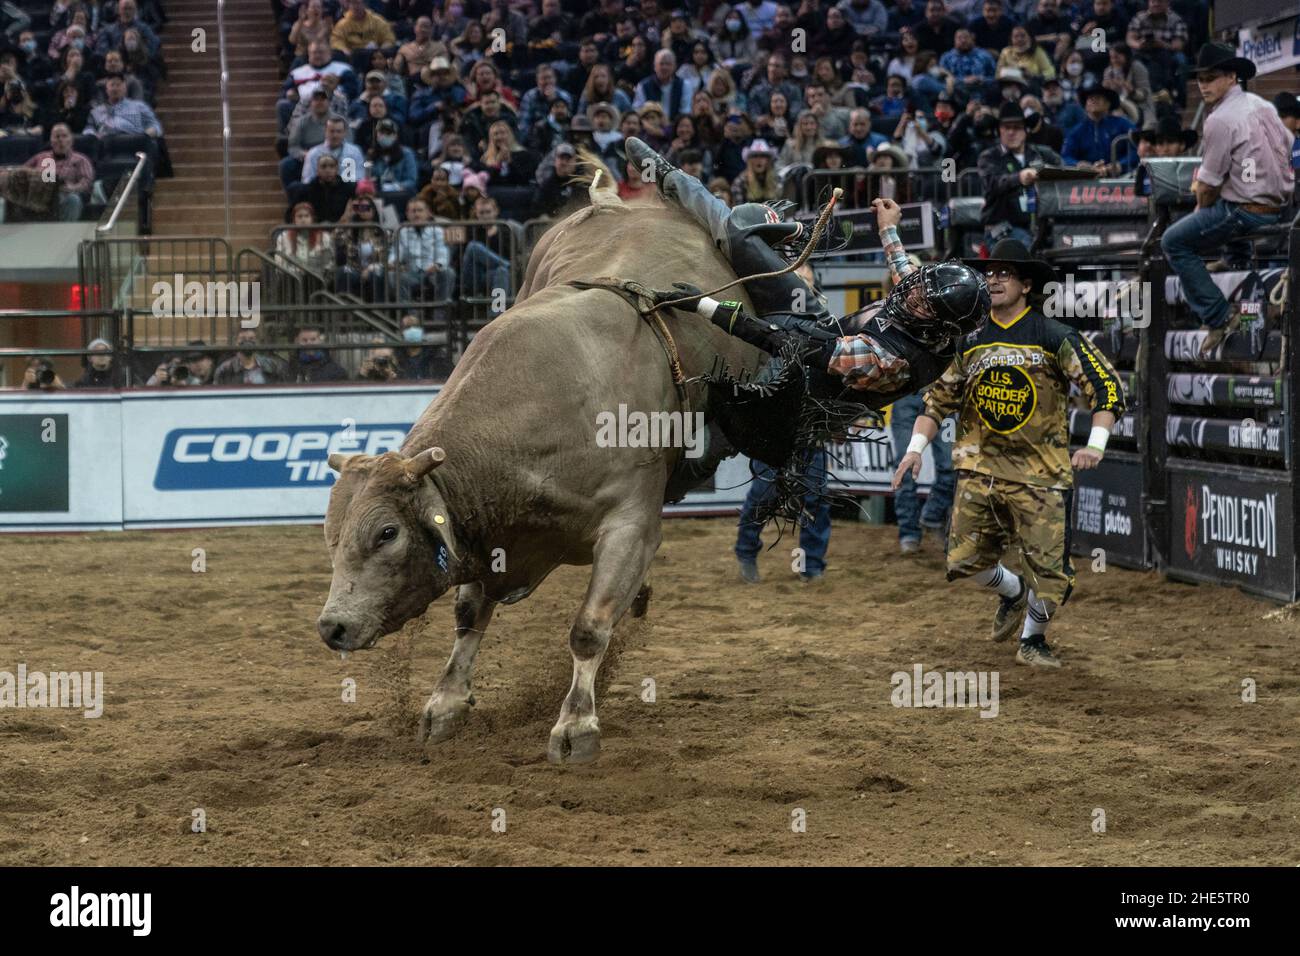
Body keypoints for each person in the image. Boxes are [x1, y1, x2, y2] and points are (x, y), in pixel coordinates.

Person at [626, 136, 990, 413]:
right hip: (816, 323)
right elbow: (905, 272)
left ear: (936, 326)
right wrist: (888, 228)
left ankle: (780, 228)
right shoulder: (927, 309)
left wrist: (708, 307)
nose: (913, 293)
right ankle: (677, 180)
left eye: (924, 301)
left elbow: (789, 344)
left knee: (734, 413)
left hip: (799, 380)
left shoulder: (886, 360)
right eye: (922, 286)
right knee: (742, 225)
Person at [893, 239, 1125, 668]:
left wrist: (1095, 445)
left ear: (1026, 284)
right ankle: (1013, 592)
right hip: (980, 469)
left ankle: (1033, 640)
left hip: (1041, 474)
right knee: (964, 560)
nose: (994, 279)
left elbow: (1105, 386)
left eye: (1005, 273)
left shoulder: (1053, 335)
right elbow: (938, 400)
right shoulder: (971, 340)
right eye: (990, 272)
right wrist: (914, 450)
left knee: (1051, 571)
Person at [1159, 44, 1294, 357]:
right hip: (1278, 208)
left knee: (1173, 240)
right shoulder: (1263, 105)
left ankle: (1218, 315)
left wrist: (1198, 210)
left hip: (1246, 210)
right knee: (1226, 202)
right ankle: (1237, 262)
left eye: (1211, 78)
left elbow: (1207, 187)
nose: (1204, 85)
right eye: (1201, 79)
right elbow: (1287, 143)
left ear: (1231, 77)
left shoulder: (1219, 119)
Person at [977, 102, 1062, 250]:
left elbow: (1063, 170)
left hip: (1042, 224)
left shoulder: (1041, 154)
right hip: (1003, 227)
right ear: (999, 131)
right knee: (1024, 248)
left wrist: (1088, 170)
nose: (1011, 132)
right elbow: (993, 182)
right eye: (1006, 127)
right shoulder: (989, 157)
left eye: (1017, 127)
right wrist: (1019, 177)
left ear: (1026, 131)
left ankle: (1070, 274)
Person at [24, 122, 94, 220]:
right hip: (39, 196)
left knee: (73, 199)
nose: (60, 140)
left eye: (64, 136)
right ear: (51, 140)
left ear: (71, 140)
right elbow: (22, 173)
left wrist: (71, 188)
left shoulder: (81, 160)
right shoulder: (40, 157)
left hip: (65, 195)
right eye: (56, 137)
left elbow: (86, 182)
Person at [213, 329, 287, 385]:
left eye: (251, 339)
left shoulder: (272, 366)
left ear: (257, 342)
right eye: (243, 339)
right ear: (236, 342)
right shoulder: (225, 369)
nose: (247, 342)